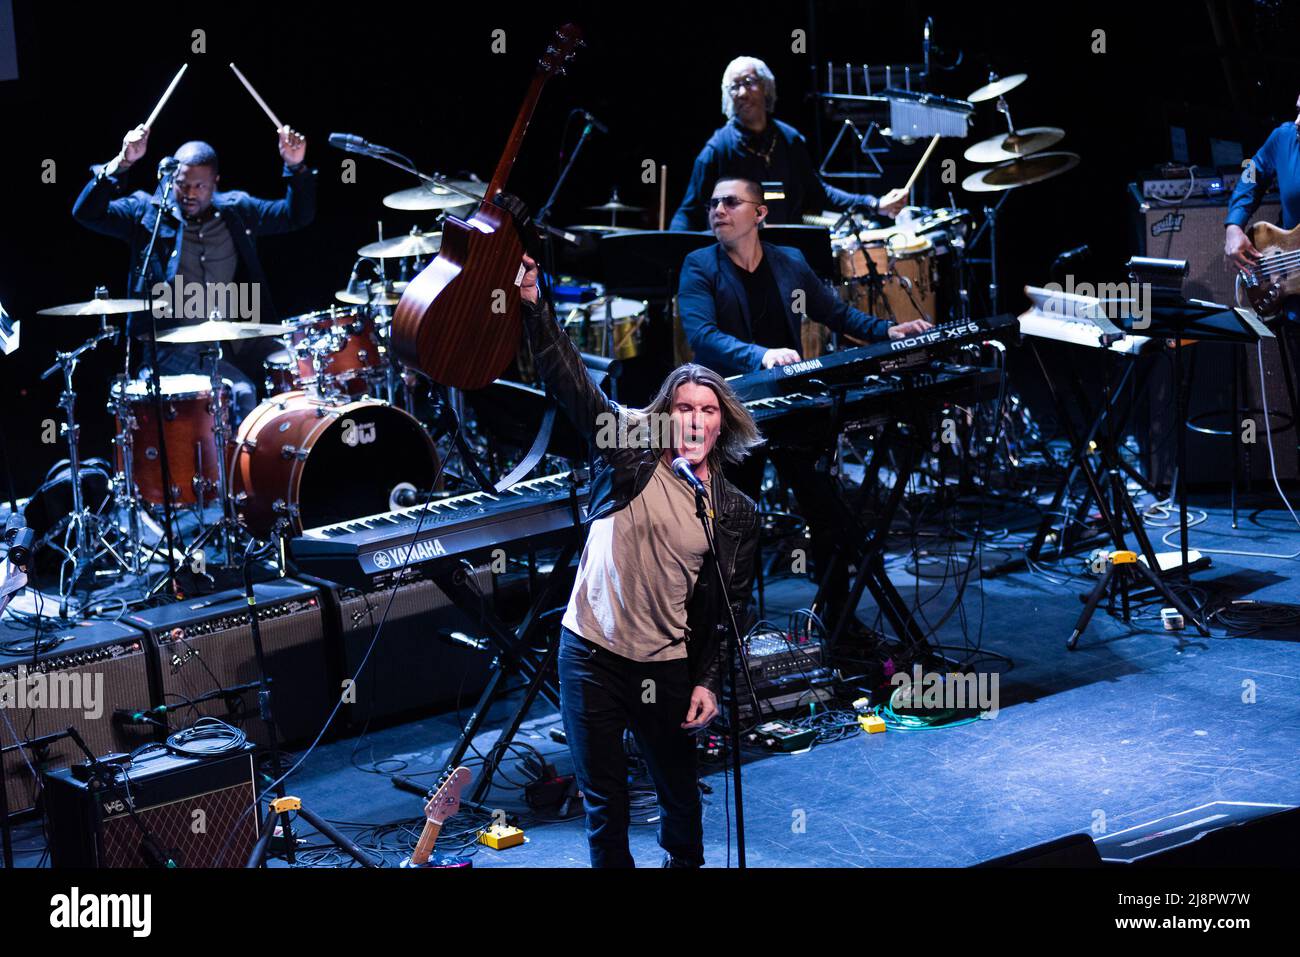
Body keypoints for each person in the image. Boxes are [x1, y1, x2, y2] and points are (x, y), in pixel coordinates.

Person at [519, 251, 762, 868]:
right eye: (684, 407)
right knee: (606, 805)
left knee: (680, 798)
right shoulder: (629, 448)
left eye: (708, 410)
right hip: (590, 653)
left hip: (664, 664)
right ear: (666, 413)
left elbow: (727, 607)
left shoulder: (732, 511)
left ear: (722, 423)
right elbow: (574, 384)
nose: (696, 419)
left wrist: (708, 680)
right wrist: (534, 305)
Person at [677, 176, 933, 631]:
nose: (718, 210)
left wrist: (886, 332)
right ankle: (729, 632)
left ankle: (839, 622)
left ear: (760, 213)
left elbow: (835, 313)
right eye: (713, 203)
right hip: (733, 412)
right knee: (734, 524)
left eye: (730, 202)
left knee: (827, 513)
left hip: (789, 405)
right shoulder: (699, 265)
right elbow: (702, 336)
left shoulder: (789, 262)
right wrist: (761, 355)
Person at [73, 123, 316, 421]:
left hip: (235, 332)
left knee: (300, 372)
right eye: (182, 184)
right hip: (176, 345)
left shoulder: (238, 209)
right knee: (240, 391)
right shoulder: (147, 211)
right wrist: (122, 163)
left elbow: (296, 216)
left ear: (215, 182)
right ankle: (235, 467)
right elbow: (86, 213)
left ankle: (289, 459)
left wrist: (296, 167)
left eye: (199, 186)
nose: (189, 193)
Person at [670, 55, 910, 232]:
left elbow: (819, 193)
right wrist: (673, 255)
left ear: (766, 88)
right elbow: (688, 213)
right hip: (735, 265)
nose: (742, 92)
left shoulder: (789, 140)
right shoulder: (716, 151)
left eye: (749, 82)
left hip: (784, 257)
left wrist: (874, 204)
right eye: (734, 86)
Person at [1225, 91, 1300, 324]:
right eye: (1298, 110)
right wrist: (1234, 225)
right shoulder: (1285, 136)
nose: (1298, 122)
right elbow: (1251, 172)